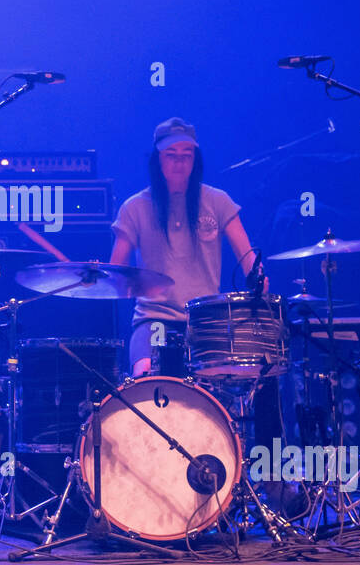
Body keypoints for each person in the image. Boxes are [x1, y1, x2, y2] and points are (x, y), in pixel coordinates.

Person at [110, 118, 265, 377]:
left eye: (187, 154)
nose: (179, 162)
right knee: (146, 376)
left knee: (223, 386)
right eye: (171, 154)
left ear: (196, 159)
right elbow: (116, 273)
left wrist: (258, 277)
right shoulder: (134, 208)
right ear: (157, 160)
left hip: (205, 319)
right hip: (154, 318)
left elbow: (248, 257)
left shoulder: (218, 201)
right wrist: (113, 280)